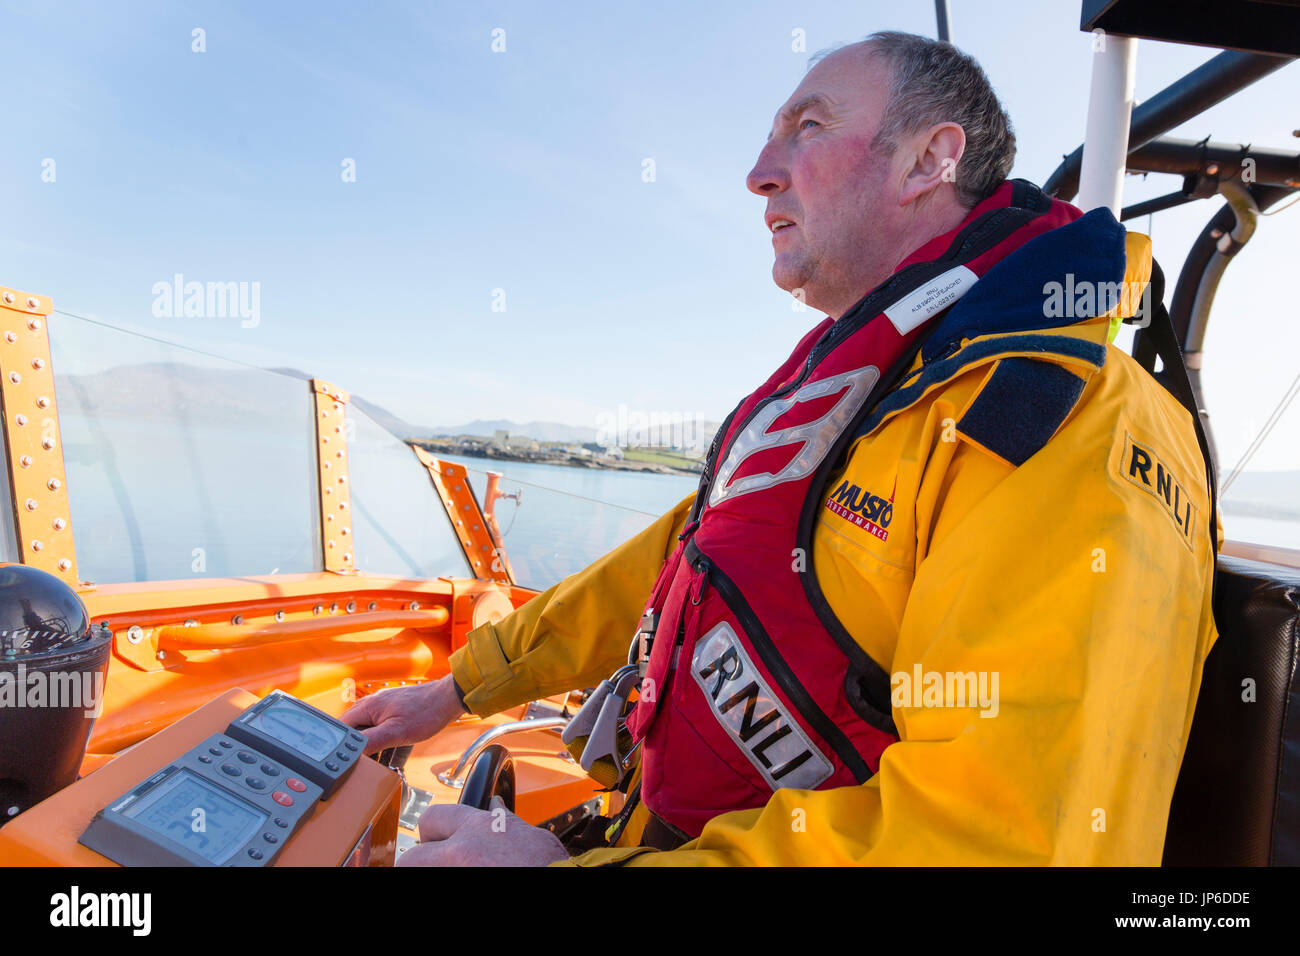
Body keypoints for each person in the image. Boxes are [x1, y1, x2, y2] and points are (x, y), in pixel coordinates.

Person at [342, 31, 1219, 866]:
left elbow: (1011, 838)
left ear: (929, 160)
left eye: (808, 127)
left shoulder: (1073, 427)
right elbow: (677, 559)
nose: (760, 174)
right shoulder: (856, 395)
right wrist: (455, 691)